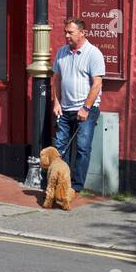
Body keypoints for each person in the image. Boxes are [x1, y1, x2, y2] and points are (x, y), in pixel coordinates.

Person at [50, 18, 105, 194]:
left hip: (86, 109)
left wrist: (86, 108)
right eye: (65, 31)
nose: (66, 35)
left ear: (82, 33)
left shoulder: (93, 53)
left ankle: (76, 186)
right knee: (60, 147)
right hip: (65, 109)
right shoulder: (61, 52)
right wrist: (57, 102)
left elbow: (97, 83)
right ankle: (60, 183)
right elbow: (57, 79)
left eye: (70, 32)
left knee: (82, 147)